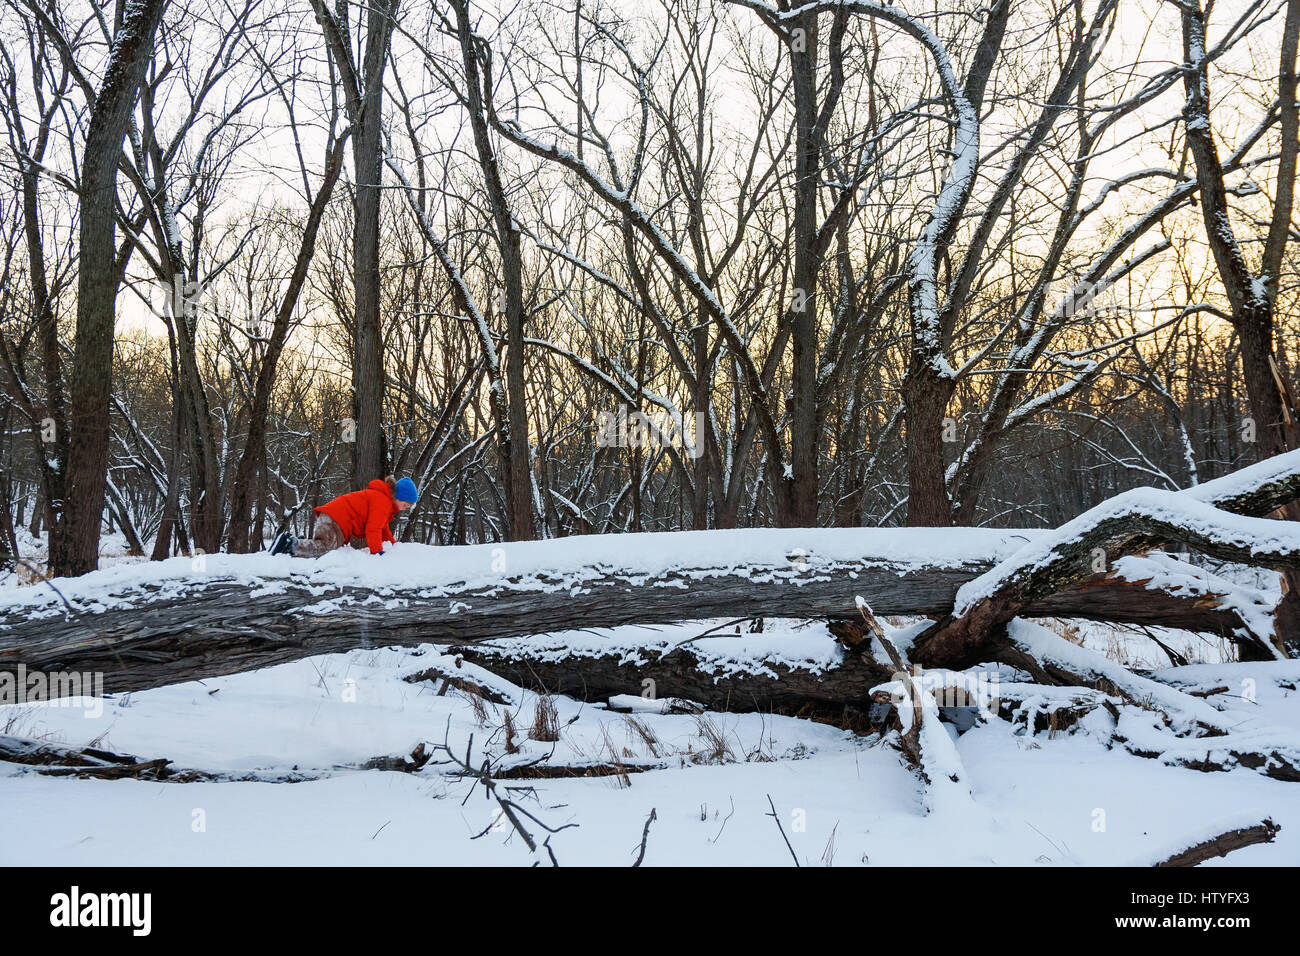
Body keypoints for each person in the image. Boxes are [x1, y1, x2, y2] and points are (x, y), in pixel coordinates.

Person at [270, 476, 418, 558]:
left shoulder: (382, 501)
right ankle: (289, 544)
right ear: (398, 497)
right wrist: (377, 553)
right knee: (325, 550)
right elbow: (373, 529)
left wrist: (394, 546)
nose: (404, 510)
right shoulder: (382, 502)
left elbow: (383, 530)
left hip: (334, 517)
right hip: (337, 520)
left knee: (327, 549)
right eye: (405, 505)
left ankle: (298, 542)